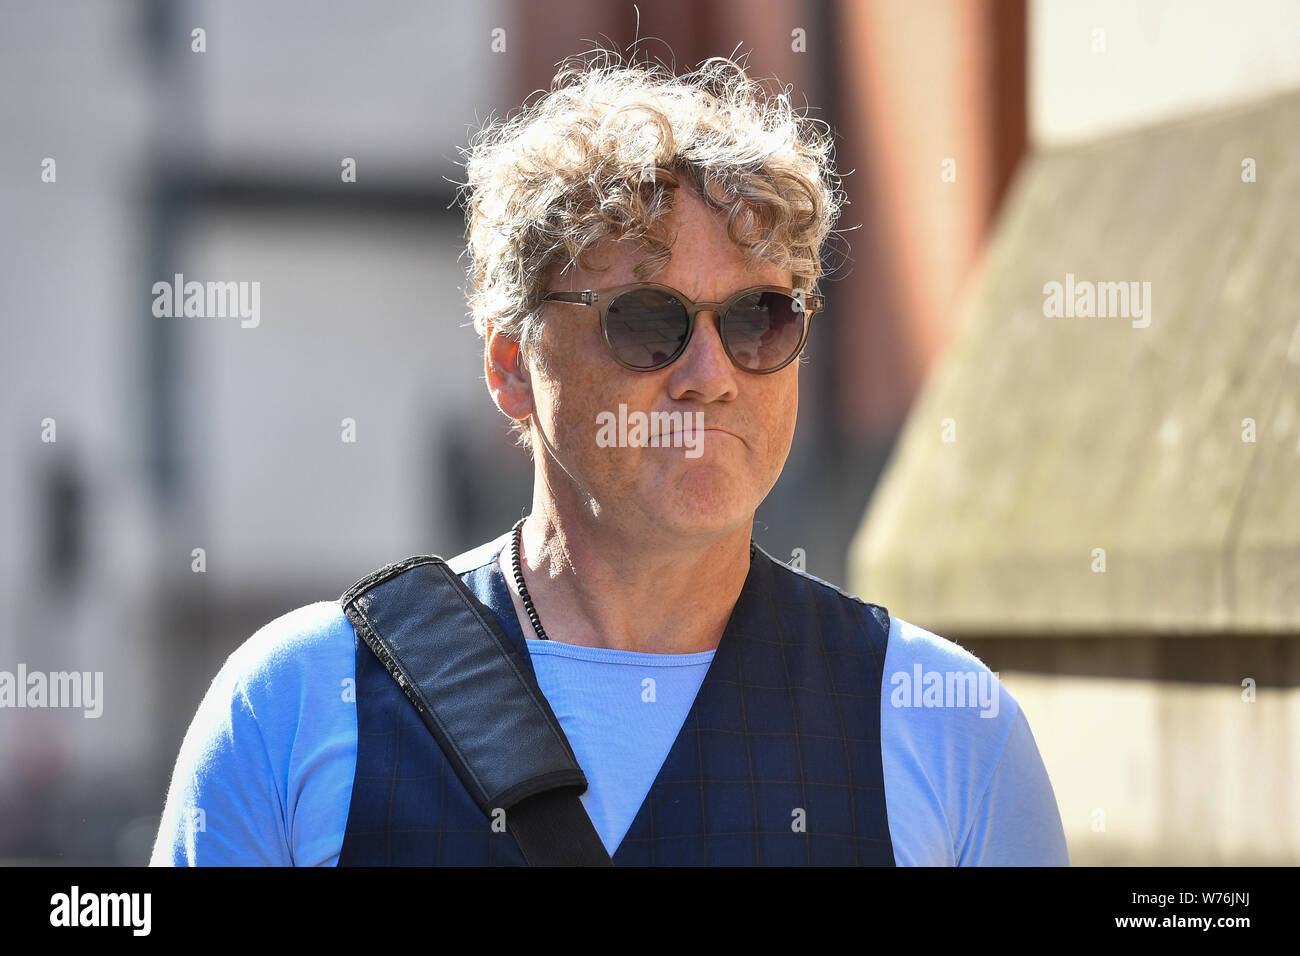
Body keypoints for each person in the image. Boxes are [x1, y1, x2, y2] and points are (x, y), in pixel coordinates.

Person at [151, 48, 1069, 866]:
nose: (709, 377)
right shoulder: (298, 708)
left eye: (759, 316)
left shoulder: (944, 727)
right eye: (646, 320)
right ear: (513, 366)